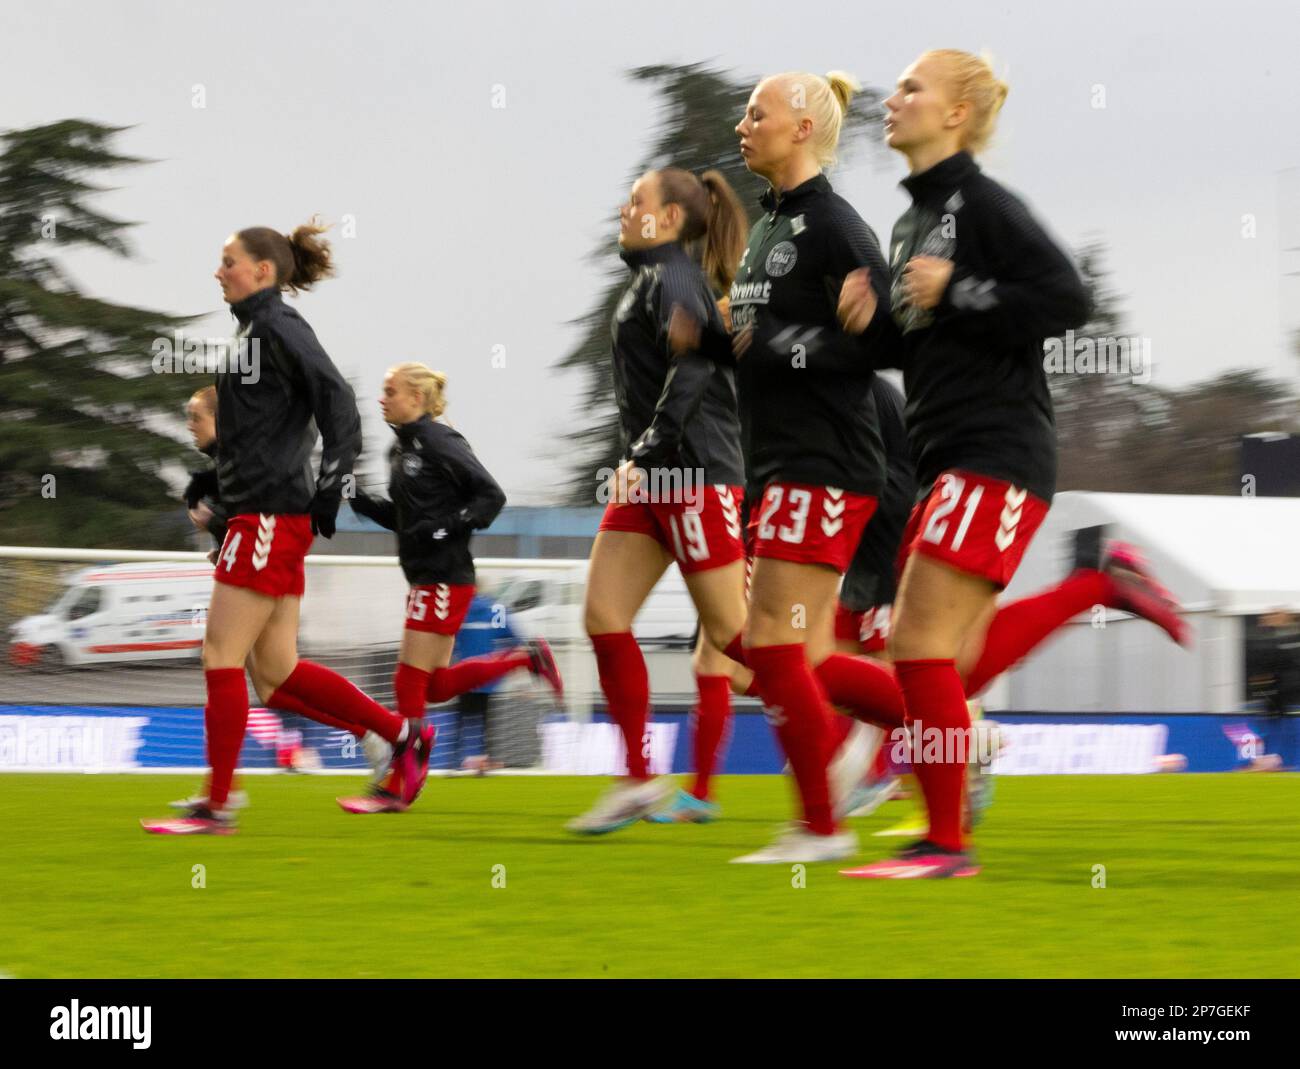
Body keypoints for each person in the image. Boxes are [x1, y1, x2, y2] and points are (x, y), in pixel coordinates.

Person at [833, 51, 1186, 877]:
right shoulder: (911, 221)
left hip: (997, 451)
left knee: (919, 648)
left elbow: (1066, 298)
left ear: (957, 113)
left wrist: (957, 289)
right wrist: (867, 324)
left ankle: (947, 844)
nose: (896, 98)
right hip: (948, 455)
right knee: (943, 661)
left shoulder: (984, 204)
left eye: (914, 88)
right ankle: (1095, 588)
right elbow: (916, 338)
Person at [142, 220, 423, 835]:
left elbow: (340, 404)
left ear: (263, 271)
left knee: (220, 653)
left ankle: (219, 804)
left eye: (228, 261)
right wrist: (219, 488)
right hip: (265, 516)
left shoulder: (278, 327)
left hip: (269, 519)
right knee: (276, 675)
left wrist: (331, 486)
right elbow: (264, 434)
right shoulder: (253, 331)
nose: (219, 271)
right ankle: (402, 736)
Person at [721, 70, 899, 865]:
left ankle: (822, 826)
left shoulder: (833, 223)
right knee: (795, 653)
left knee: (774, 647)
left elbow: (889, 335)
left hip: (827, 463)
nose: (741, 125)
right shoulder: (770, 226)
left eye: (757, 113)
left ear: (800, 128)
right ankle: (946, 727)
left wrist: (781, 345)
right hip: (779, 462)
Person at [566, 164, 751, 834]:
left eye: (637, 200)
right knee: (603, 615)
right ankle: (640, 778)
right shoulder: (650, 279)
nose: (625, 207)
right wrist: (645, 459)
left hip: (694, 476)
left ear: (670, 218)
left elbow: (697, 366)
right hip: (656, 477)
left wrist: (644, 453)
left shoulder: (674, 277)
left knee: (738, 644)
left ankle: (896, 717)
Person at [345, 363, 563, 812]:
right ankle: (525, 658)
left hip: (444, 577)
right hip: (426, 577)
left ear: (417, 398)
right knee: (436, 686)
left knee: (407, 678)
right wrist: (358, 499)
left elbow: (490, 497)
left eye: (391, 391)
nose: (382, 398)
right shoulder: (399, 448)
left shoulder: (440, 440)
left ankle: (404, 776)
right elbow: (407, 521)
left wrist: (446, 529)